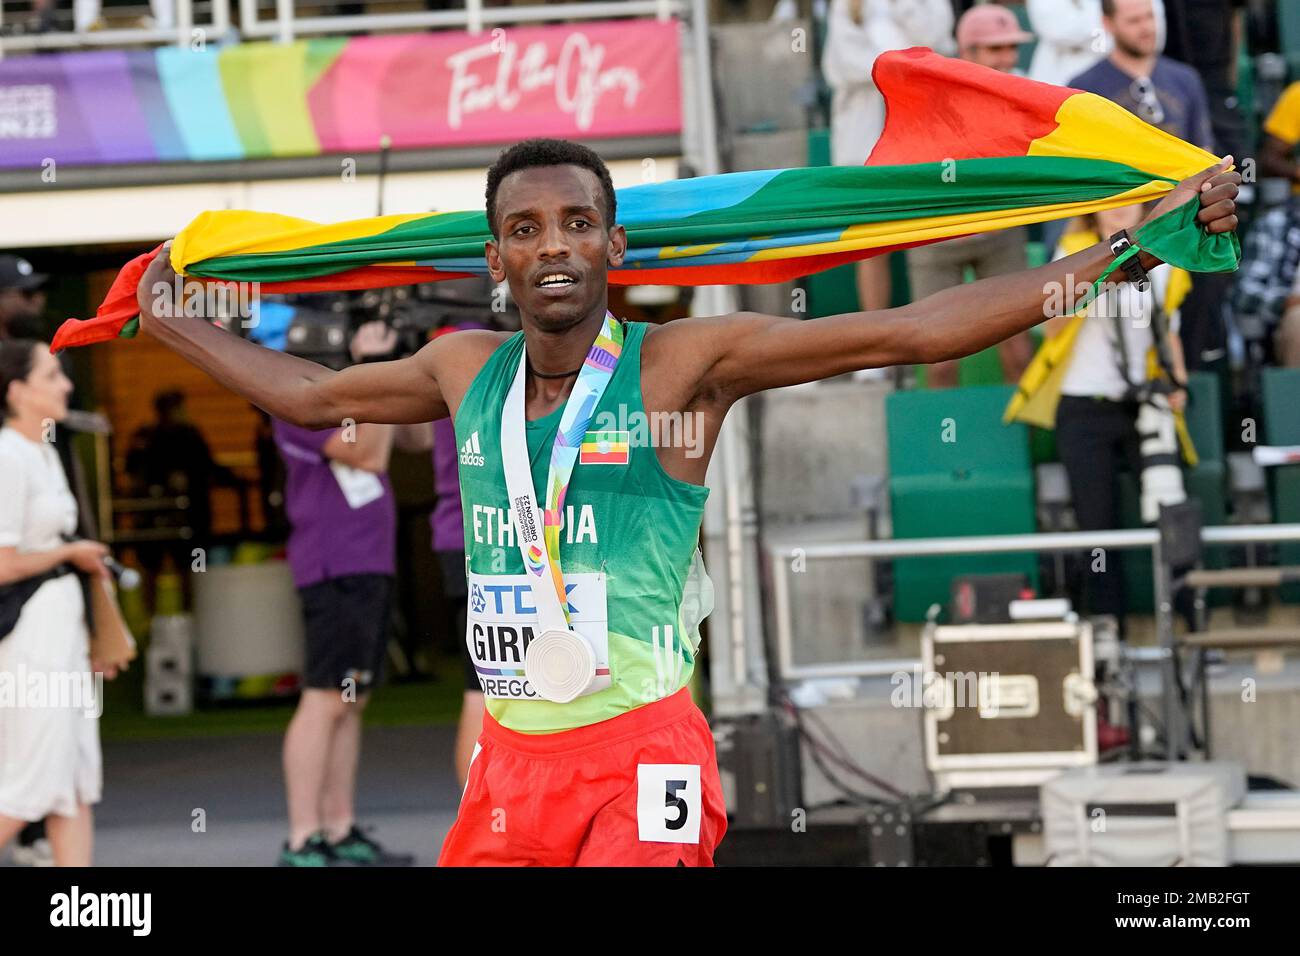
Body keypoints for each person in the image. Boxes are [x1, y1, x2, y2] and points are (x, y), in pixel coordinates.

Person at [133, 137, 1239, 866]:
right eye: (525, 229)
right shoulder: (459, 367)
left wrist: (1122, 253)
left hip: (641, 749)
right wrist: (166, 311)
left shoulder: (685, 364)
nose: (552, 243)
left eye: (575, 222)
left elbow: (908, 330)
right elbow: (309, 389)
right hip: (511, 757)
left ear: (616, 245)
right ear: (496, 260)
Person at [272, 320, 416, 867]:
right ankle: (302, 836)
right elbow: (368, 456)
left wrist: (396, 369)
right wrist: (372, 375)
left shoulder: (351, 394)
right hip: (334, 564)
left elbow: (416, 436)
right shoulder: (300, 403)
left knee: (352, 701)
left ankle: (338, 827)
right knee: (324, 696)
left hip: (366, 561)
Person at [1042, 204, 1191, 633]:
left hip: (1144, 402)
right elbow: (1049, 327)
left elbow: (1169, 332)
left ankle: (1189, 626)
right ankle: (1110, 635)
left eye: (1128, 199)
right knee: (1098, 526)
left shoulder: (1162, 258)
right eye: (1109, 201)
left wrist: (1178, 382)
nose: (1119, 209)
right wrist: (1099, 272)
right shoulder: (1071, 253)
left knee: (1171, 512)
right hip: (1085, 404)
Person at [0, 339, 115, 867]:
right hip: (30, 641)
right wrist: (70, 552)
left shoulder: (44, 449)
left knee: (73, 777)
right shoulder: (7, 455)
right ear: (17, 391)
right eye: (52, 375)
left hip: (62, 631)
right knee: (30, 780)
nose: (67, 384)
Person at [1070, 0, 1224, 373]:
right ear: (1108, 23)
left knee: (1190, 326)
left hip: (1183, 229)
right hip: (1118, 234)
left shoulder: (1184, 78)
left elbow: (1205, 156)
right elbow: (1077, 172)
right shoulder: (1084, 87)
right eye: (1134, 19)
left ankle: (1187, 392)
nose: (1146, 27)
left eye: (1150, 17)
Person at [906, 4, 1036, 388]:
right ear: (967, 52)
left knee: (1018, 351)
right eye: (996, 49)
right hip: (936, 235)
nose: (1008, 58)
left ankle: (1020, 445)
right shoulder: (934, 96)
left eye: (1012, 47)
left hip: (1000, 232)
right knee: (938, 357)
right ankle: (945, 446)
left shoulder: (1026, 92)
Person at [821, 0, 955, 315]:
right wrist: (906, 62)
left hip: (921, 135)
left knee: (930, 235)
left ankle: (938, 331)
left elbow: (937, 41)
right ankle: (876, 356)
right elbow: (850, 65)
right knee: (871, 245)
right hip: (865, 141)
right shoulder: (845, 6)